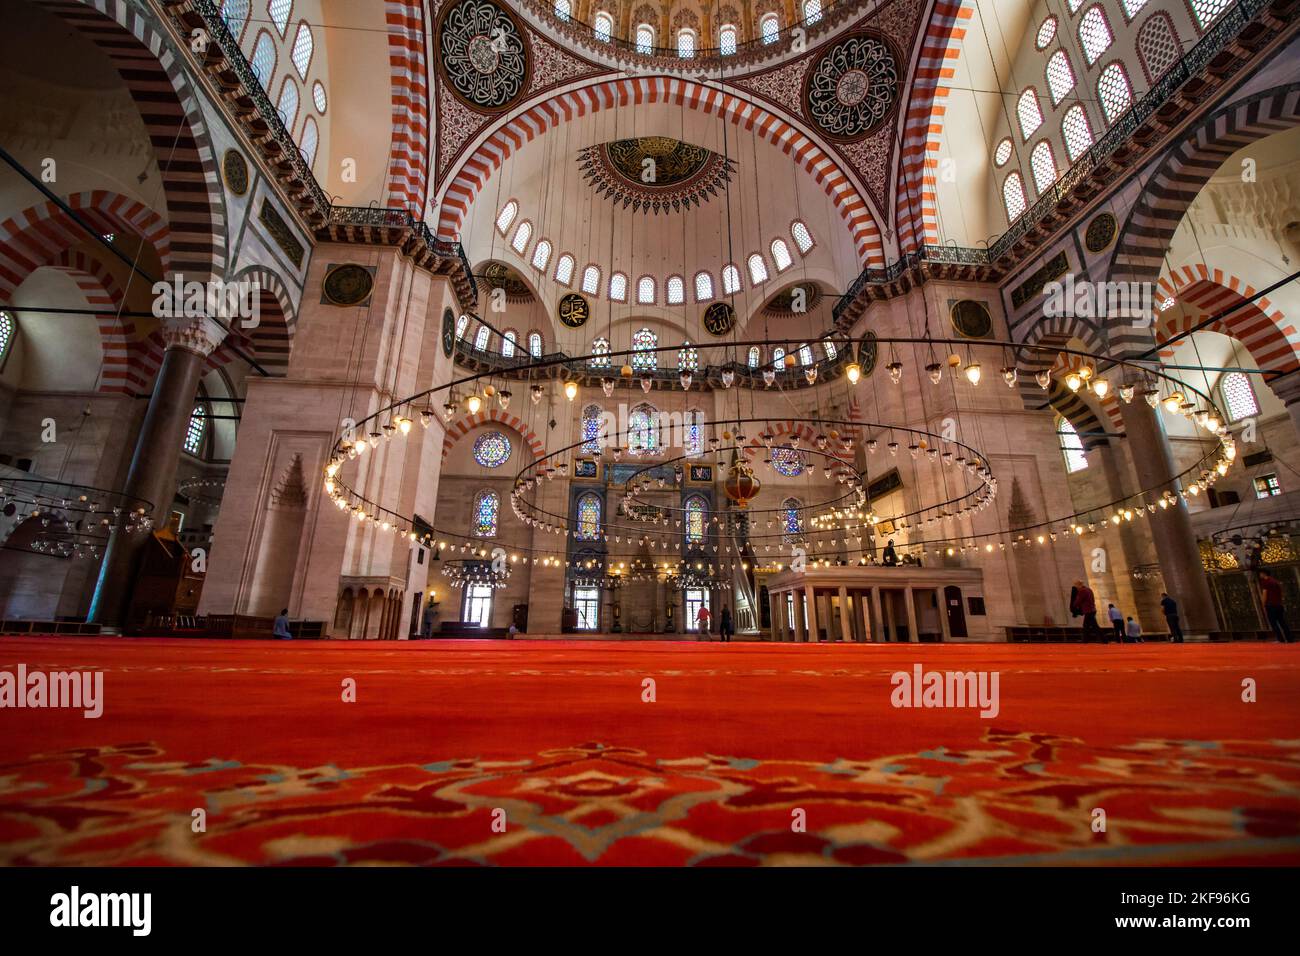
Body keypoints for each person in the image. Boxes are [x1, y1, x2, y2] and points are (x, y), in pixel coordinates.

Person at [1259, 572, 1293, 643]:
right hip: (1278, 604)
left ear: (1264, 573)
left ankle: (1280, 639)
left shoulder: (1266, 582)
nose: (1260, 575)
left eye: (1260, 574)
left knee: (1273, 623)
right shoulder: (1275, 581)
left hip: (1270, 605)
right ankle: (1289, 638)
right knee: (1282, 622)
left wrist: (1263, 604)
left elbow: (1265, 594)